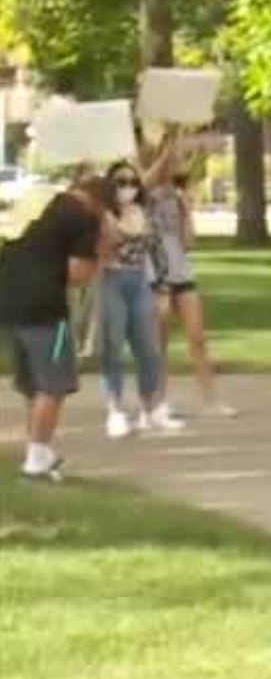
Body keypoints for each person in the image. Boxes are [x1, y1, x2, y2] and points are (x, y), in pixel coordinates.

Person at [3, 175, 110, 480]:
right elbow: (78, 275)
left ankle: (39, 447)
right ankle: (36, 457)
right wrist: (99, 255)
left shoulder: (37, 207)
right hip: (49, 312)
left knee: (33, 382)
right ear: (98, 203)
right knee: (54, 382)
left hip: (10, 305)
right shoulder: (84, 219)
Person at [142, 135, 234, 416]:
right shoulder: (144, 193)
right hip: (156, 271)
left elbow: (187, 242)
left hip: (181, 269)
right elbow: (149, 178)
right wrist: (169, 140)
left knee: (197, 337)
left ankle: (211, 400)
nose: (177, 164)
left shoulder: (177, 196)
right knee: (160, 340)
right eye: (172, 159)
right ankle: (157, 401)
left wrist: (188, 212)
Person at [96, 160, 184, 438]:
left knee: (149, 349)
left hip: (139, 281)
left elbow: (158, 250)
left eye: (133, 182)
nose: (128, 188)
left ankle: (150, 410)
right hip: (111, 280)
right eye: (121, 182)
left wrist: (163, 285)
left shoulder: (144, 214)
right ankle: (115, 411)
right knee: (113, 347)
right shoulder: (103, 215)